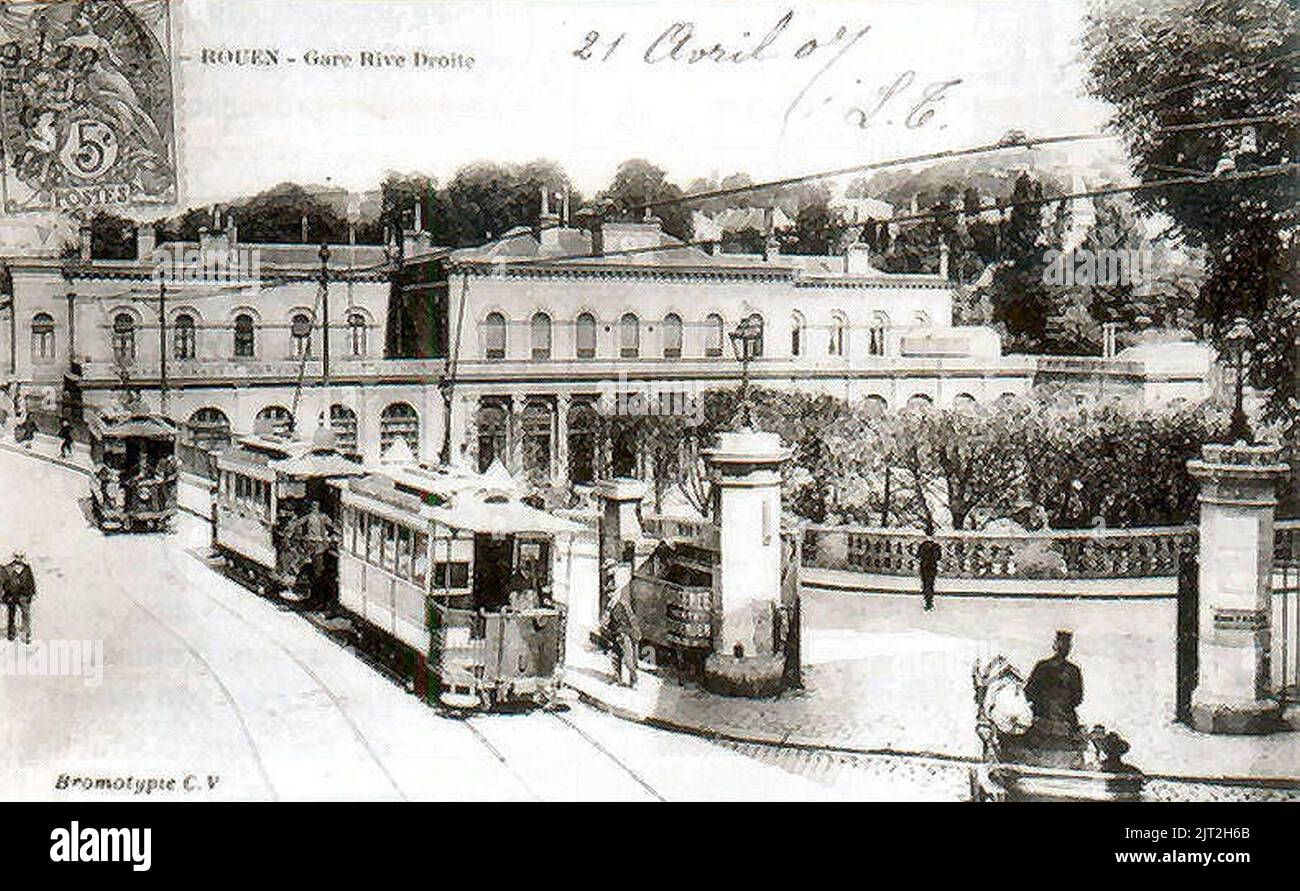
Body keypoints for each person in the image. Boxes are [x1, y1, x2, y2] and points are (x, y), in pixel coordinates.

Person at [1024, 630, 1084, 740]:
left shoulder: (1073, 670)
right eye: (1062, 644)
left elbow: (1078, 697)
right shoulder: (1043, 667)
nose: (1065, 648)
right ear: (1055, 645)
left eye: (1067, 645)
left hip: (1064, 721)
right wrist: (1040, 708)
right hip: (1044, 719)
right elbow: (1029, 691)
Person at [600, 570, 641, 688]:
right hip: (616, 635)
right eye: (607, 593)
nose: (609, 595)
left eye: (611, 593)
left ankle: (634, 681)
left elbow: (630, 621)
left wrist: (633, 635)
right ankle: (617, 678)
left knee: (628, 660)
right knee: (615, 658)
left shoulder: (621, 605)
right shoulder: (610, 606)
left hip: (624, 635)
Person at [5, 551, 35, 644]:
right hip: (12, 595)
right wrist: (6, 595)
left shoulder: (27, 568)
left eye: (21, 557)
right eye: (17, 556)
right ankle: (11, 633)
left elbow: (31, 582)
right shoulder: (8, 568)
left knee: (26, 615)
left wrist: (31, 594)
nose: (19, 558)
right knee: (11, 615)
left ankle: (26, 635)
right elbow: (5, 583)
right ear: (14, 557)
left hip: (24, 596)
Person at [917, 533, 941, 611]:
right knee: (930, 584)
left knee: (925, 583)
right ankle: (929, 600)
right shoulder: (936, 546)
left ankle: (927, 599)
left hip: (924, 566)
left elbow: (918, 555)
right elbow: (939, 557)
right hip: (932, 567)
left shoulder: (923, 545)